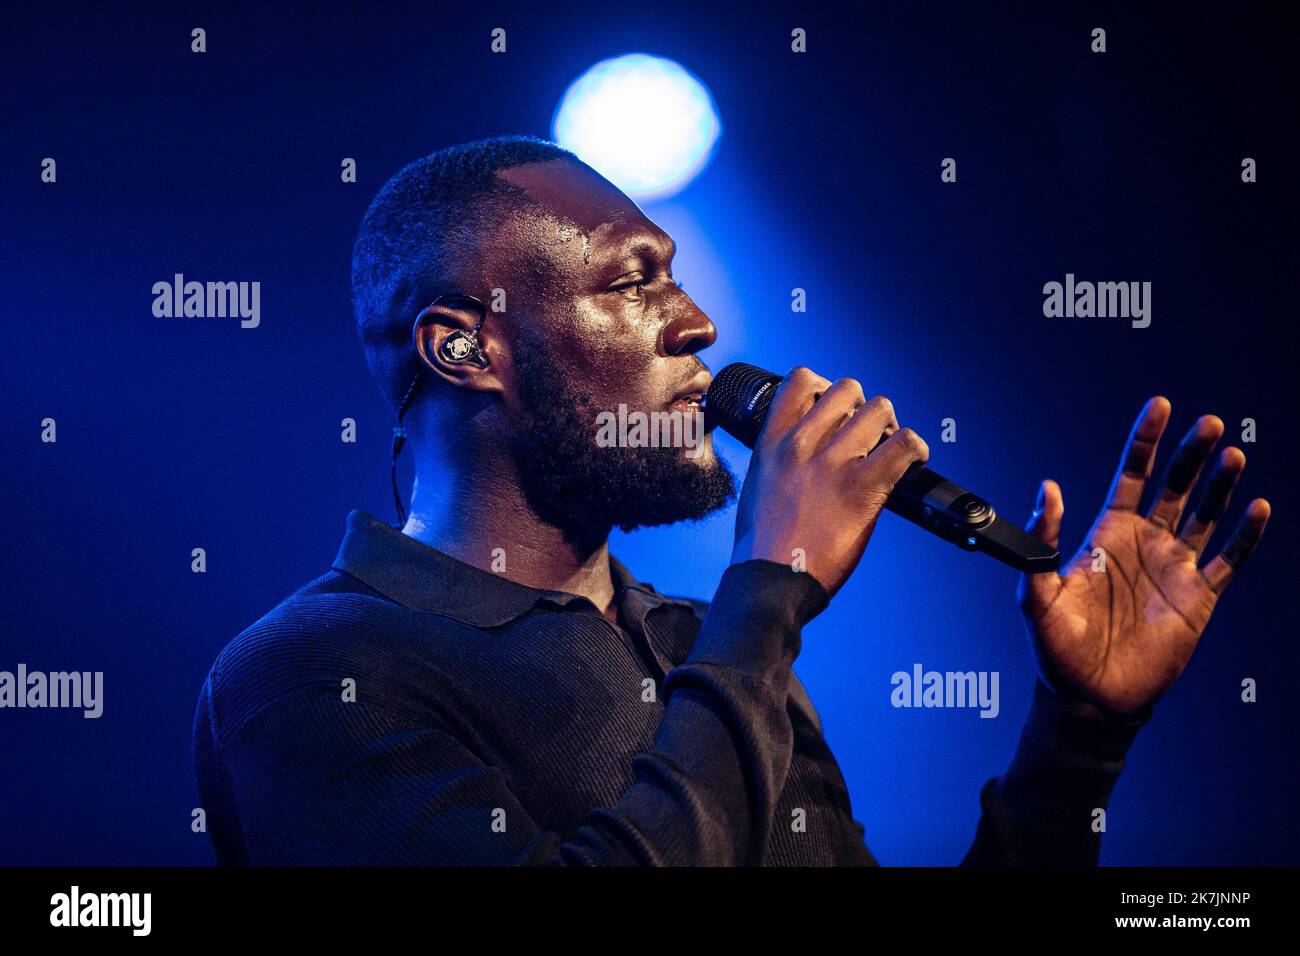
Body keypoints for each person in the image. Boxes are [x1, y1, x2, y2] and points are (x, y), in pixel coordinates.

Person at [192, 136, 1270, 865]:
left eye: (675, 274)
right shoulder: (315, 670)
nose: (699, 322)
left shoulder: (701, 644)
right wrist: (767, 594)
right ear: (465, 347)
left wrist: (1079, 737)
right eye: (632, 282)